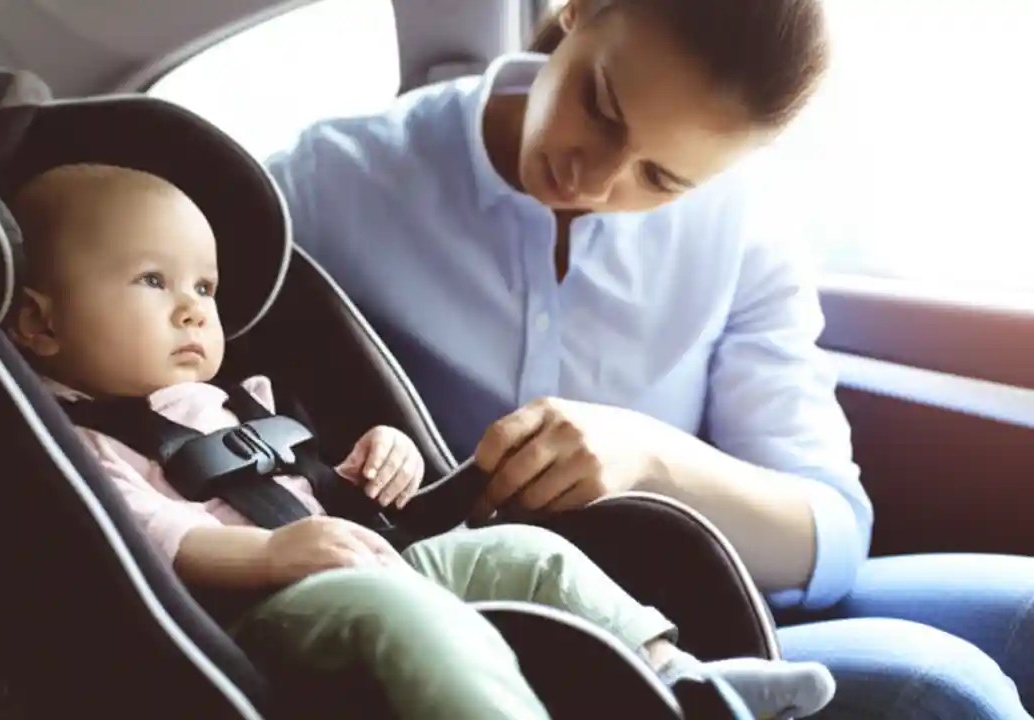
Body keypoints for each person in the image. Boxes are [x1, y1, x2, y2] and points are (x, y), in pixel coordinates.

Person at [263, 0, 1034, 717]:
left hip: (707, 608)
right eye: (600, 106)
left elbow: (829, 533)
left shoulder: (746, 223)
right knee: (943, 686)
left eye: (660, 178)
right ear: (580, 7)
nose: (591, 180)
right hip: (477, 615)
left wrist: (649, 457)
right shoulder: (327, 182)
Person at [2, 161, 835, 719]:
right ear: (40, 323)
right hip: (245, 619)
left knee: (524, 552)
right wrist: (270, 556)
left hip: (360, 564)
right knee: (408, 612)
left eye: (206, 287)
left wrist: (375, 465)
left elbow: (309, 484)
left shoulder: (236, 402)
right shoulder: (72, 439)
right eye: (153, 281)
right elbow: (150, 535)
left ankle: (682, 682)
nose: (193, 308)